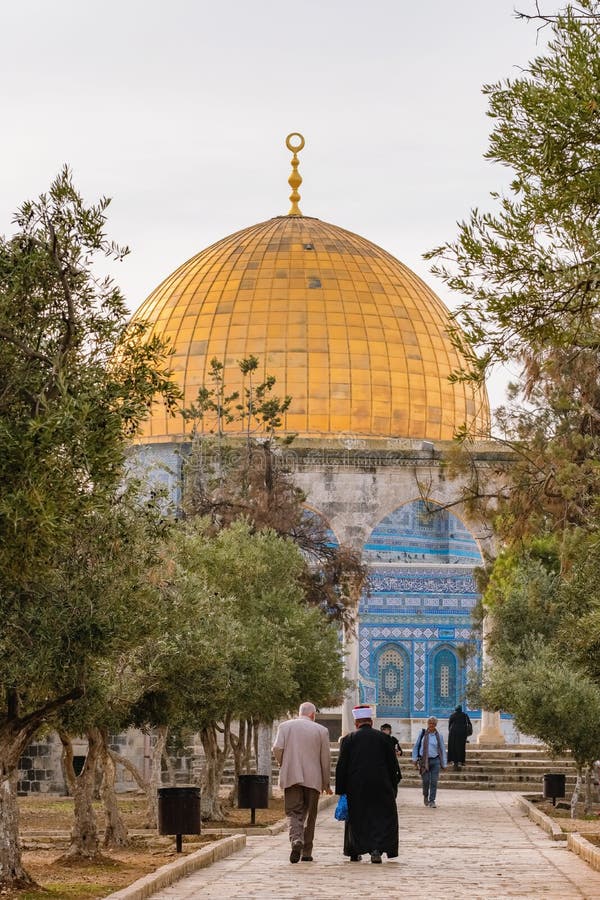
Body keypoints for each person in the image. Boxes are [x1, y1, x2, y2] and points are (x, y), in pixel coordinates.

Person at [335, 705, 400, 864]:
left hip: (356, 787)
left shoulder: (348, 740)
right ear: (371, 722)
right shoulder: (384, 738)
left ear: (357, 723)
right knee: (380, 817)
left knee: (358, 818)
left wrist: (341, 789)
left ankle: (355, 850)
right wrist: (393, 785)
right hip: (381, 785)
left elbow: (341, 766)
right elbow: (393, 765)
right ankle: (376, 850)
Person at [272, 701, 333, 863]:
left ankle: (296, 840)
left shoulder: (284, 727)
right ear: (313, 715)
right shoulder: (321, 730)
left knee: (293, 812)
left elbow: (277, 748)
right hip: (313, 779)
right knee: (310, 815)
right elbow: (325, 758)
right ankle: (306, 852)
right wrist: (326, 783)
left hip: (291, 776)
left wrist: (283, 763)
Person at [412, 716, 447, 808]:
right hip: (424, 761)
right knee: (426, 781)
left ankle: (432, 800)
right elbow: (416, 746)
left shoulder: (439, 736)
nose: (431, 725)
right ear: (428, 724)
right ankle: (425, 795)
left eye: (433, 724)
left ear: (436, 725)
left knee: (434, 781)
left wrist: (444, 763)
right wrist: (414, 759)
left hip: (435, 760)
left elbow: (442, 749)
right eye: (430, 723)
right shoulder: (422, 734)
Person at [447, 704, 472, 771]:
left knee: (454, 747)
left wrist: (450, 731)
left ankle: (455, 761)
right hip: (462, 733)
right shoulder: (465, 715)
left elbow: (449, 725)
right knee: (461, 747)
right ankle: (462, 761)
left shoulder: (452, 715)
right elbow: (469, 723)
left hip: (453, 733)